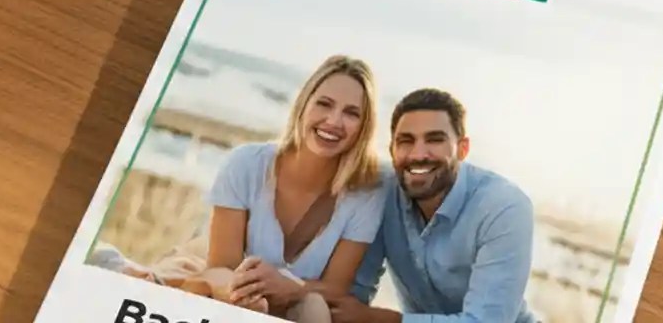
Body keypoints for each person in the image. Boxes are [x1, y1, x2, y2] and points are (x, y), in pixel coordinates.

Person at [199, 54, 388, 322]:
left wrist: (291, 288)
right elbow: (220, 267)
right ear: (303, 105)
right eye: (324, 104)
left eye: (351, 113)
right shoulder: (246, 165)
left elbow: (335, 289)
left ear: (364, 127)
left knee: (314, 307)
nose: (334, 121)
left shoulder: (365, 194)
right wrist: (244, 295)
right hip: (234, 305)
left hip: (300, 313)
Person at [326, 88, 537, 323]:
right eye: (406, 141)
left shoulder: (503, 207)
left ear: (463, 149)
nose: (418, 154)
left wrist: (380, 320)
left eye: (434, 140)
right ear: (391, 150)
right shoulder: (382, 191)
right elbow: (355, 291)